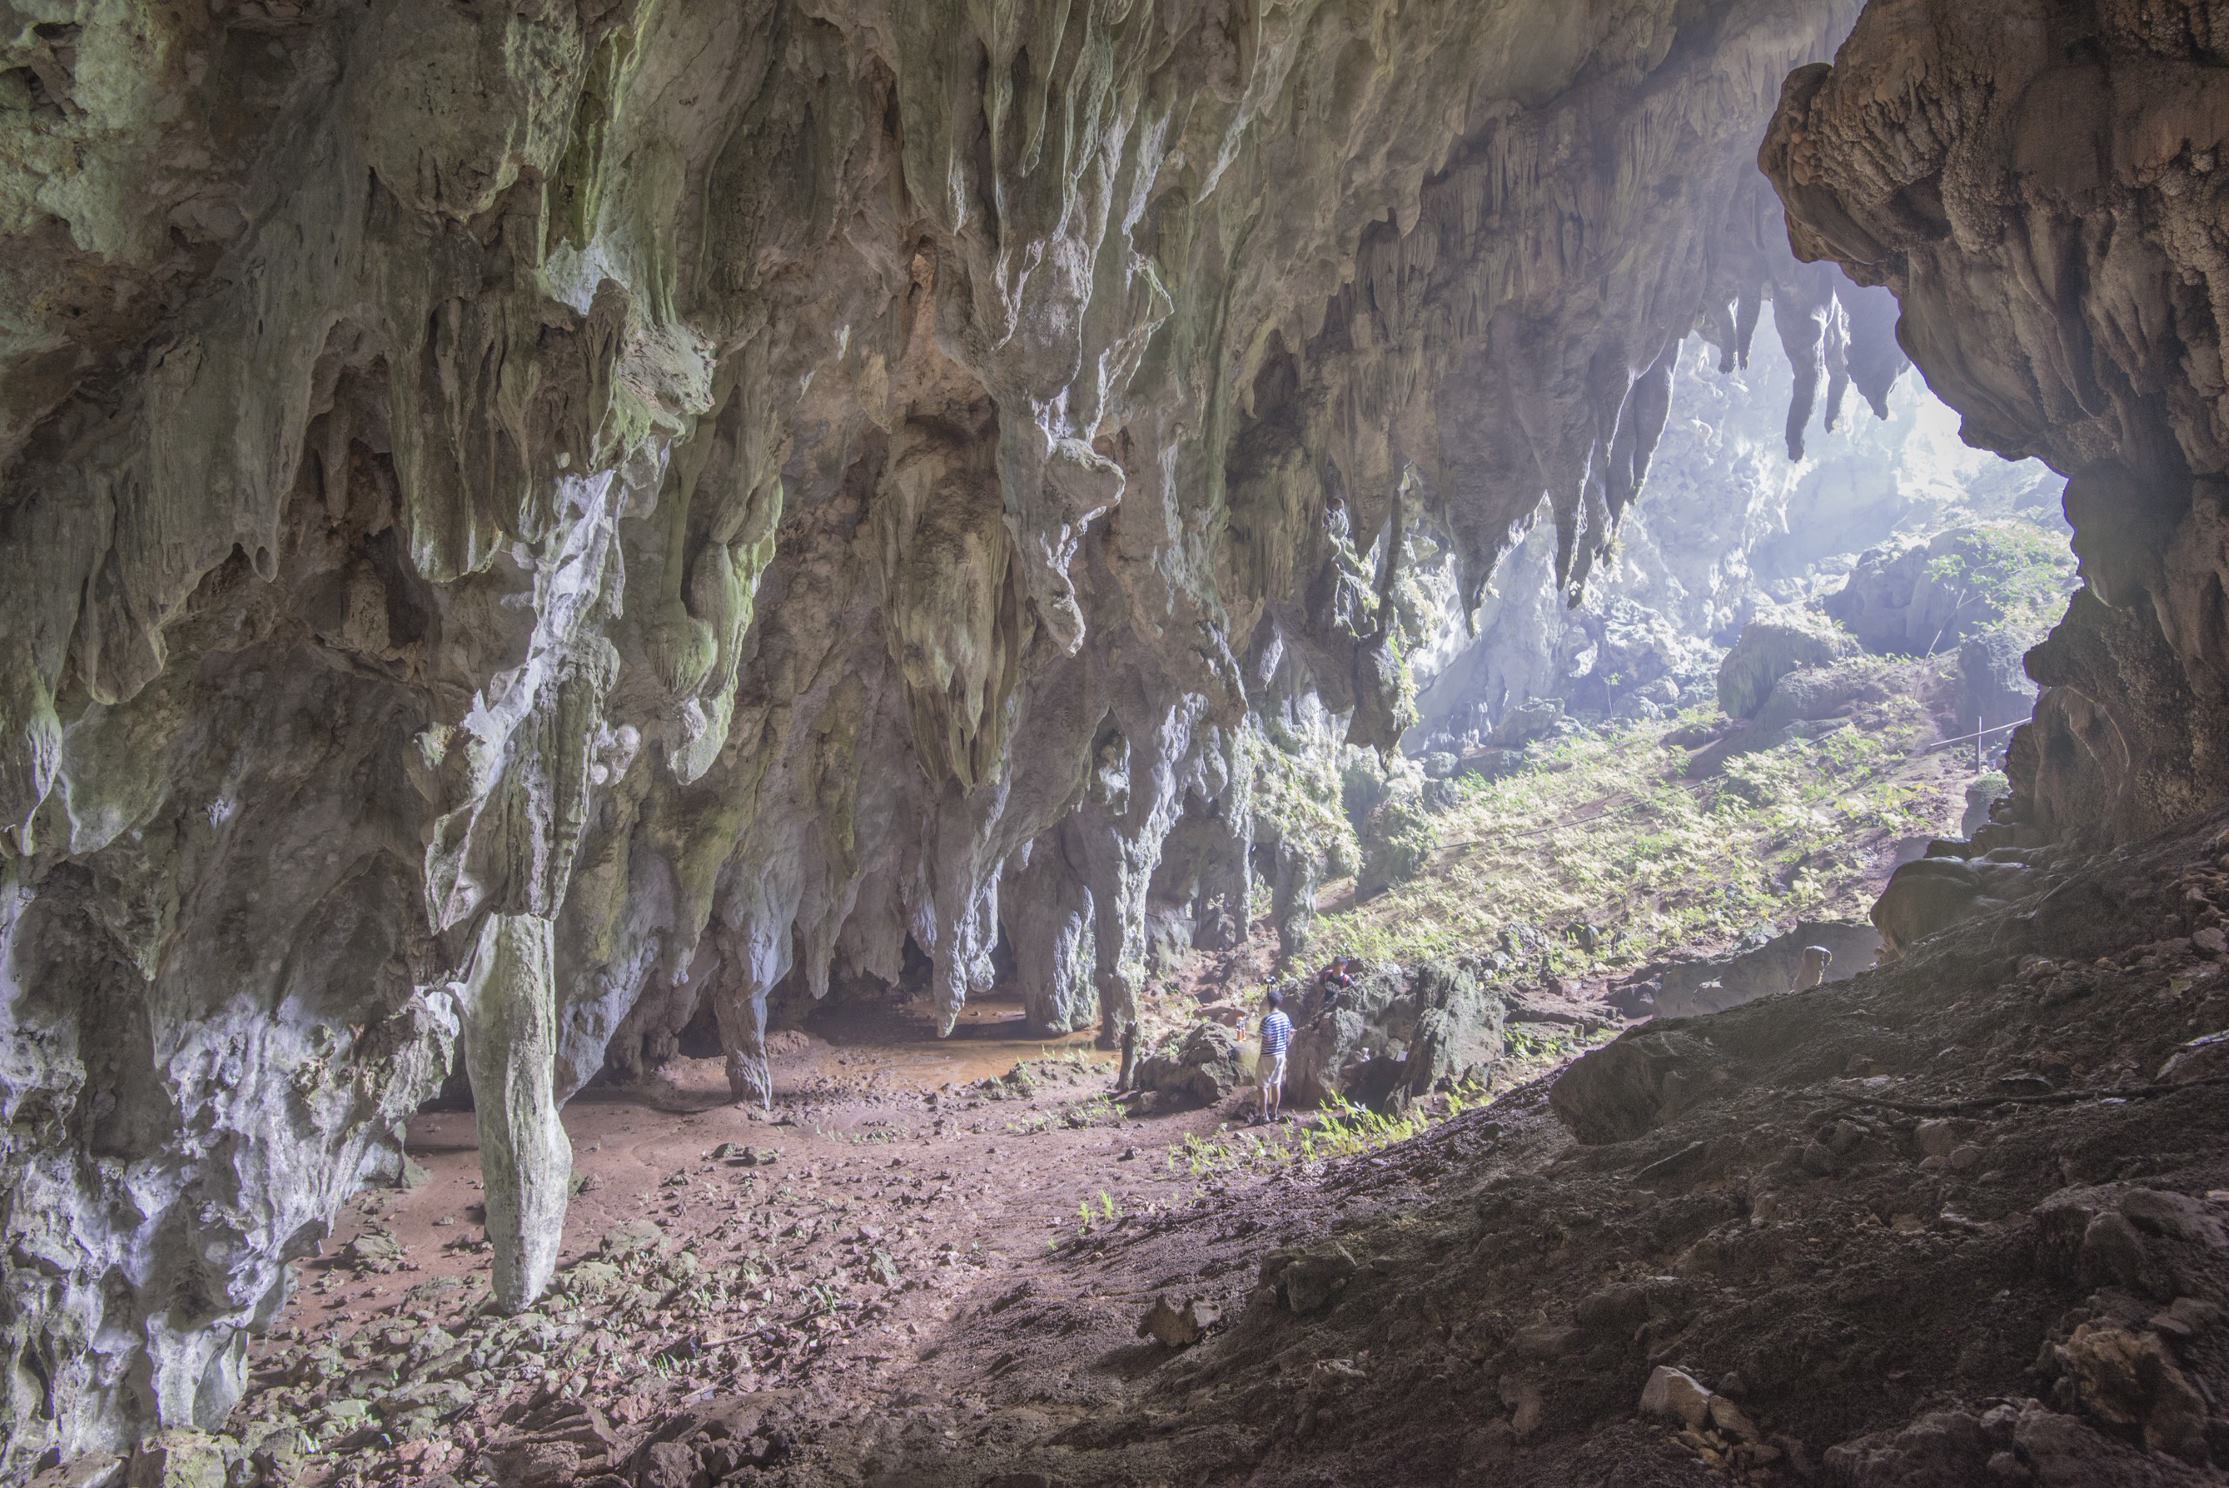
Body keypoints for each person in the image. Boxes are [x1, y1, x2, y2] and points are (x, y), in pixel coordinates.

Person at [1258, 987, 1294, 1124]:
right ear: (1280, 1002)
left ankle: (1264, 1115)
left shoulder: (1266, 1019)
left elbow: (1265, 1038)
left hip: (1268, 1055)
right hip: (1281, 1054)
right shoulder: (1285, 1017)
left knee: (1262, 1085)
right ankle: (1275, 1113)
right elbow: (1289, 1033)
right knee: (1276, 1084)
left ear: (1268, 1003)